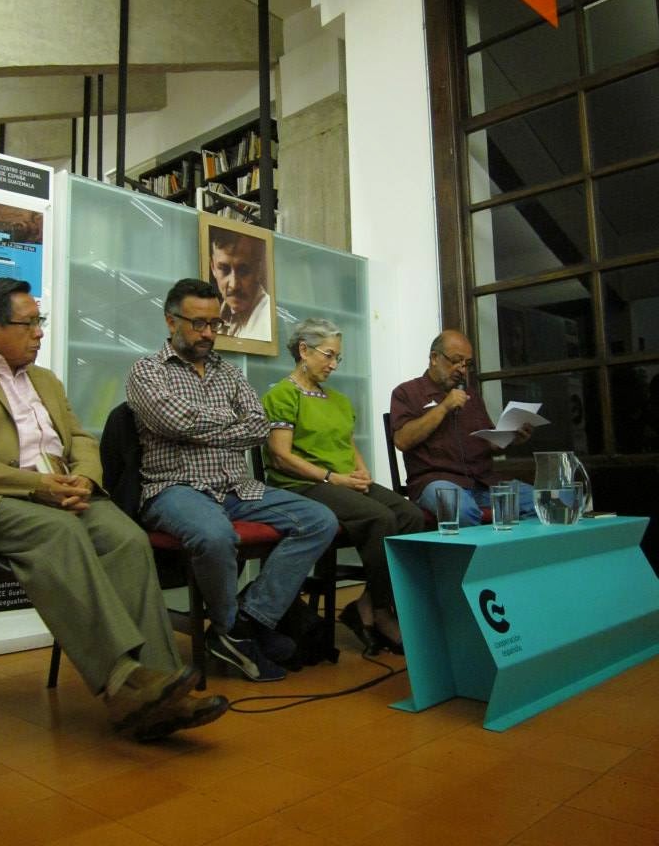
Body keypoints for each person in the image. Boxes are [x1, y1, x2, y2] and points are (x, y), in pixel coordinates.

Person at [0, 278, 227, 743]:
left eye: (40, 322)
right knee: (60, 533)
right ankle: (124, 686)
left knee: (127, 538)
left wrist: (84, 480)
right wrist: (38, 487)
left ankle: (161, 689)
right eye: (29, 323)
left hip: (59, 491)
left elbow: (79, 440)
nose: (39, 333)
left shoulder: (45, 380)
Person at [126, 278, 337, 683]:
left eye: (215, 324)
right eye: (198, 324)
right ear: (170, 321)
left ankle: (248, 622)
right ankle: (229, 630)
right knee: (215, 535)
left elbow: (258, 426)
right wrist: (224, 423)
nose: (208, 334)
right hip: (173, 489)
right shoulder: (146, 371)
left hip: (236, 488)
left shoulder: (229, 373)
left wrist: (196, 427)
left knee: (320, 520)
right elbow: (172, 421)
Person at [262, 318, 428, 655]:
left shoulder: (337, 400)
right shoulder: (282, 394)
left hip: (340, 481)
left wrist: (363, 471)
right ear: (304, 350)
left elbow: (347, 446)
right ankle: (382, 614)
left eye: (338, 358)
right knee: (379, 518)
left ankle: (368, 602)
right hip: (301, 484)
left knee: (411, 515)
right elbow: (280, 456)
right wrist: (331, 478)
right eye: (328, 355)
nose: (334, 364)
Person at [390, 329, 534, 525]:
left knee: (539, 500)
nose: (462, 369)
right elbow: (402, 440)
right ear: (434, 358)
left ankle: (514, 554)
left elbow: (488, 444)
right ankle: (482, 556)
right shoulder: (407, 392)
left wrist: (511, 437)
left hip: (483, 482)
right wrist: (444, 407)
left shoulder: (471, 396)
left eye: (467, 364)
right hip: (437, 482)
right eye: (456, 361)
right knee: (465, 511)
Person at [209, 227, 272, 340]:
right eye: (224, 269)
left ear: (258, 269)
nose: (234, 285)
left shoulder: (270, 317)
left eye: (243, 271)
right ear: (213, 268)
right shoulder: (214, 320)